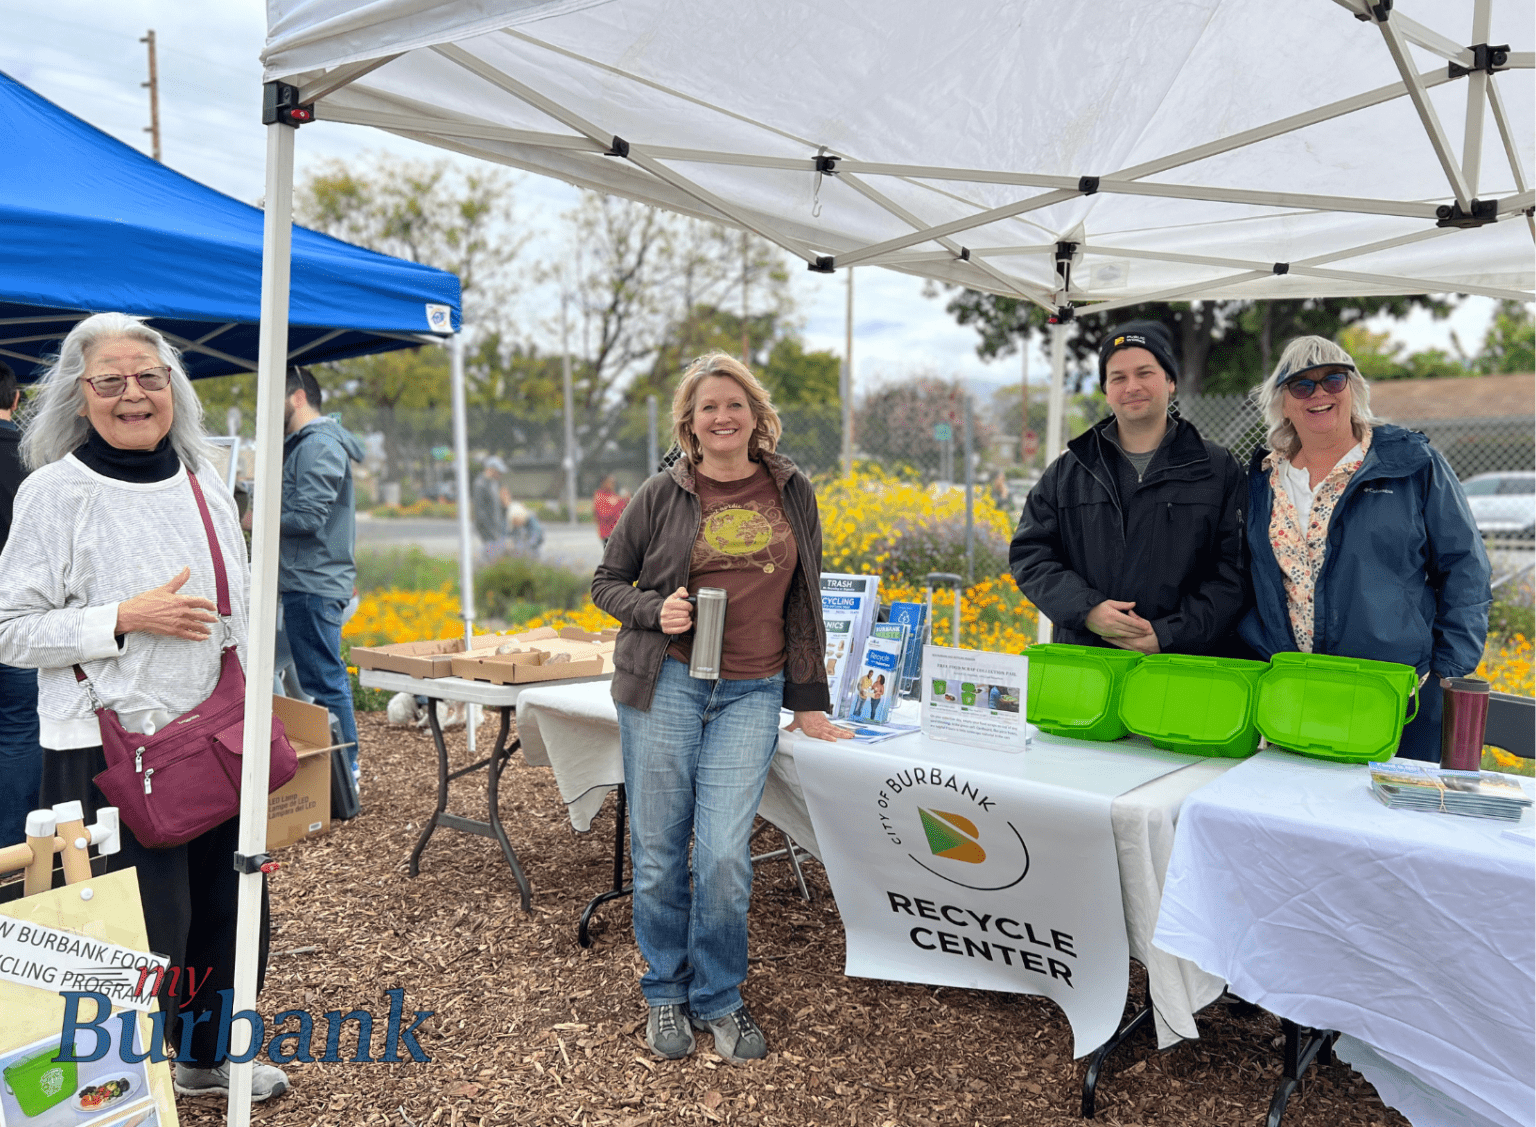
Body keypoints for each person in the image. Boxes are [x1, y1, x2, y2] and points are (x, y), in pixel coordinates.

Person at [0, 313, 288, 1099]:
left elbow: (245, 605)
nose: (134, 394)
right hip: (106, 751)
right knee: (131, 926)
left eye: (149, 377)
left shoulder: (204, 486)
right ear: (79, 395)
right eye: (111, 380)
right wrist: (123, 618)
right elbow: (10, 629)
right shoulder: (55, 493)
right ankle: (110, 1085)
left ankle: (204, 1056)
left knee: (228, 911)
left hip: (212, 738)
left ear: (174, 389)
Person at [591, 351, 851, 1064]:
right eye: (708, 406)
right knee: (656, 853)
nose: (722, 416)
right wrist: (655, 607)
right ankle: (666, 991)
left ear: (756, 414)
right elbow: (606, 581)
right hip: (668, 683)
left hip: (751, 689)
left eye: (734, 403)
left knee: (726, 857)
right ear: (690, 422)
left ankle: (719, 994)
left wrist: (809, 702)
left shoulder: (791, 489)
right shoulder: (659, 493)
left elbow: (806, 600)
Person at [1239, 336, 1491, 761]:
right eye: (1301, 385)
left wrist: (1447, 671)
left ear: (1353, 390)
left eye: (1333, 380)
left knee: (1389, 821)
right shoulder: (1262, 480)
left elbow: (1465, 568)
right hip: (1293, 694)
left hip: (1393, 694)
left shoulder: (1412, 463)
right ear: (1282, 402)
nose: (1319, 393)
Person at [1010, 320, 1246, 655]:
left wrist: (1168, 634)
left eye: (1145, 373)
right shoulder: (1068, 471)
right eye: (1118, 377)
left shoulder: (1218, 469)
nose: (1131, 386)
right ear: (1106, 390)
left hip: (1181, 669)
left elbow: (1234, 572)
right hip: (1087, 664)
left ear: (1171, 381)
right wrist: (1087, 610)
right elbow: (1030, 554)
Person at [279, 367, 365, 784]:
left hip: (311, 582)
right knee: (317, 679)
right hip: (308, 579)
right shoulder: (308, 445)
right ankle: (341, 771)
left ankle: (346, 774)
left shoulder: (317, 446)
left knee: (325, 683)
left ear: (297, 398)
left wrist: (254, 518)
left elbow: (309, 517)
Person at [0, 358, 45, 852]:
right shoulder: (38, 460)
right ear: (15, 399)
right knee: (18, 731)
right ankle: (11, 853)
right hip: (20, 617)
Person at [472, 455, 510, 562]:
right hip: (487, 530)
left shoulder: (495, 483)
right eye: (499, 472)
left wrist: (505, 506)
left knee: (498, 557)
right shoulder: (480, 485)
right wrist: (491, 532)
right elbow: (480, 512)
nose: (501, 475)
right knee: (491, 557)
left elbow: (500, 507)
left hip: (497, 528)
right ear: (491, 470)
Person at [594, 474, 629, 545]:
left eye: (614, 482)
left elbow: (624, 511)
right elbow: (604, 515)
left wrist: (627, 501)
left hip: (619, 533)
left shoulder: (615, 495)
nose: (613, 485)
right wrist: (620, 503)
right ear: (603, 483)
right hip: (607, 534)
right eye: (610, 482)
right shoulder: (600, 496)